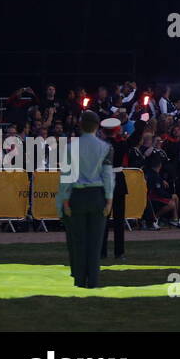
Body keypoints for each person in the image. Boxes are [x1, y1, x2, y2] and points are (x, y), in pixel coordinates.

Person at [57, 110, 113, 289]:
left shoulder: (70, 147)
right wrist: (109, 199)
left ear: (80, 125)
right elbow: (108, 176)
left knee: (78, 242)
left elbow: (66, 177)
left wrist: (65, 201)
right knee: (95, 244)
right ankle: (94, 281)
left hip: (77, 197)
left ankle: (79, 281)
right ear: (97, 126)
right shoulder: (105, 147)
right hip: (97, 196)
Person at [98, 117, 129, 261]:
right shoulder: (121, 144)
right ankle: (119, 252)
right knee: (119, 220)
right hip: (118, 181)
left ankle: (101, 251)